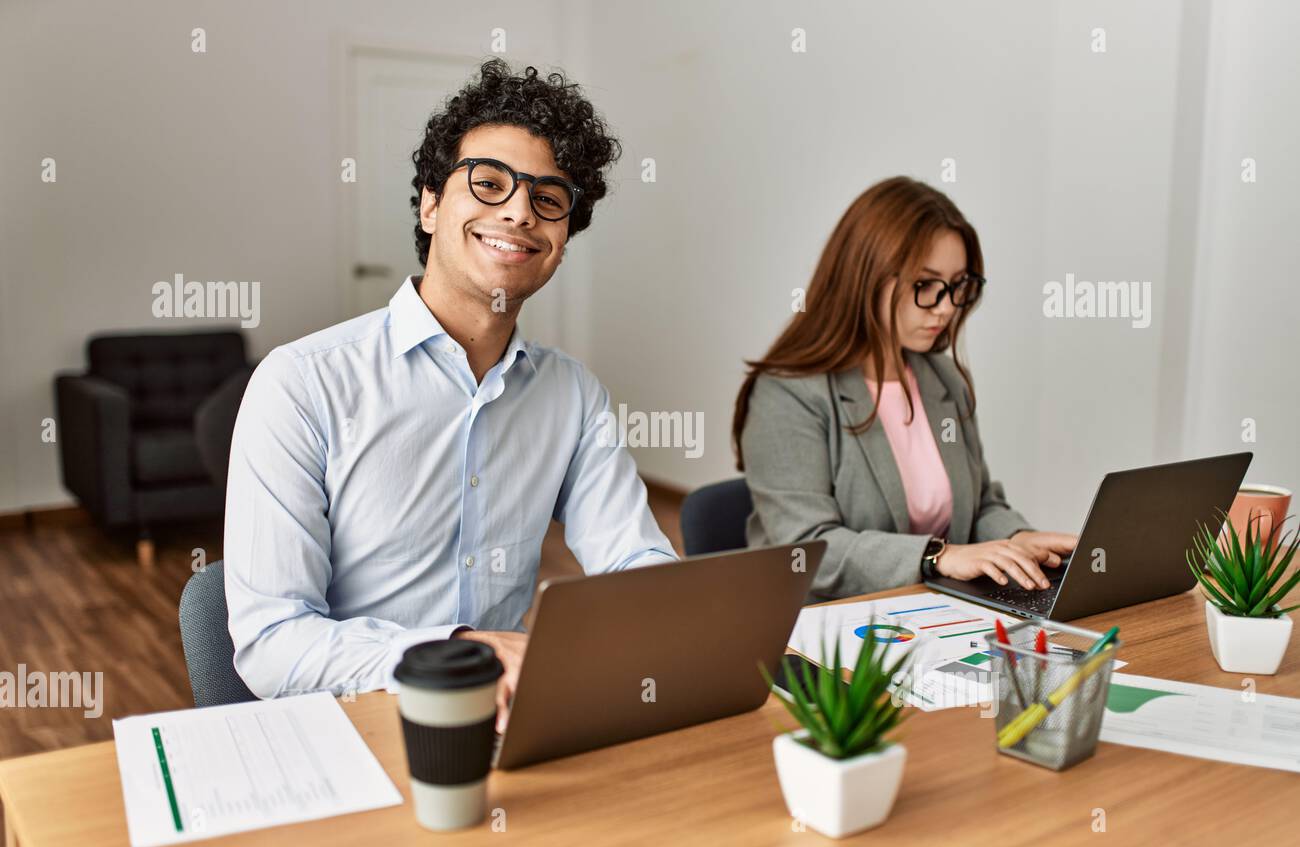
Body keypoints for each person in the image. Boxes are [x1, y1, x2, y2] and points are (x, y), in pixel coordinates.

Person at [225, 60, 675, 728]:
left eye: (549, 198)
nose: (520, 211)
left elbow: (632, 558)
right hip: (352, 724)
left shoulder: (572, 396)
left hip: (506, 723)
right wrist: (456, 652)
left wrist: (675, 612)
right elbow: (272, 643)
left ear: (561, 241)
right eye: (490, 183)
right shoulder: (302, 383)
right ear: (431, 204)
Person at [734, 176, 1076, 601]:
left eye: (957, 286)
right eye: (925, 285)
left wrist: (1020, 539)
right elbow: (805, 550)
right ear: (865, 278)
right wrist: (936, 557)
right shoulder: (787, 395)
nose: (948, 306)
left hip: (927, 614)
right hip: (817, 632)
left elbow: (981, 505)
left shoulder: (942, 377)